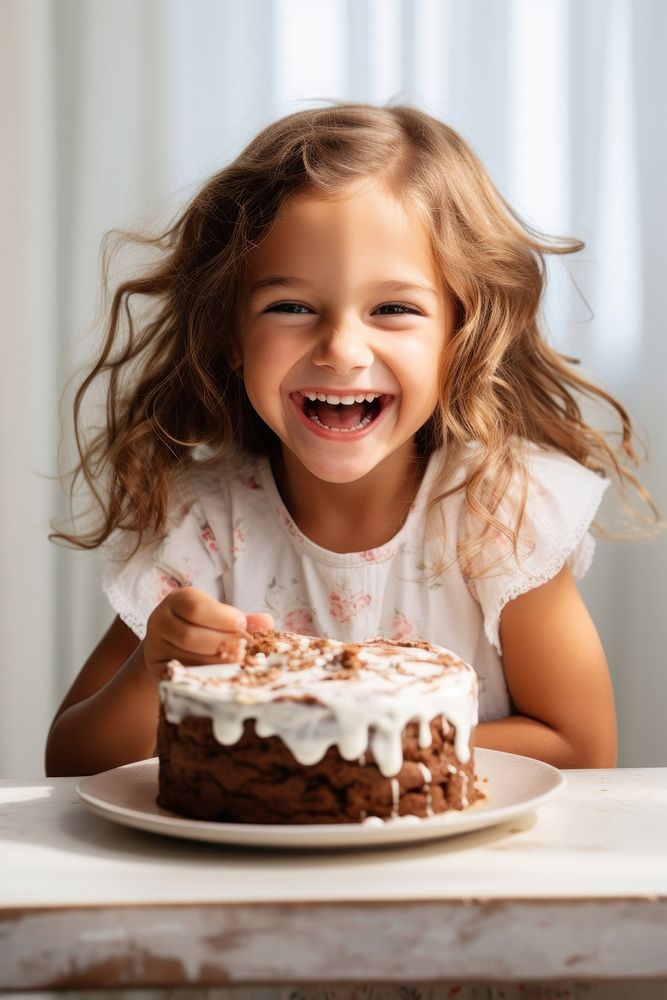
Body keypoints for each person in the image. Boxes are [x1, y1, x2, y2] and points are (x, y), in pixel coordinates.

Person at [46, 103, 655, 778]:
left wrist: (352, 740)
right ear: (230, 337)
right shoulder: (201, 526)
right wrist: (149, 672)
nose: (341, 350)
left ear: (460, 338)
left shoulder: (498, 511)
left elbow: (580, 745)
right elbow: (72, 765)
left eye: (393, 309)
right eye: (291, 307)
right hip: (251, 881)